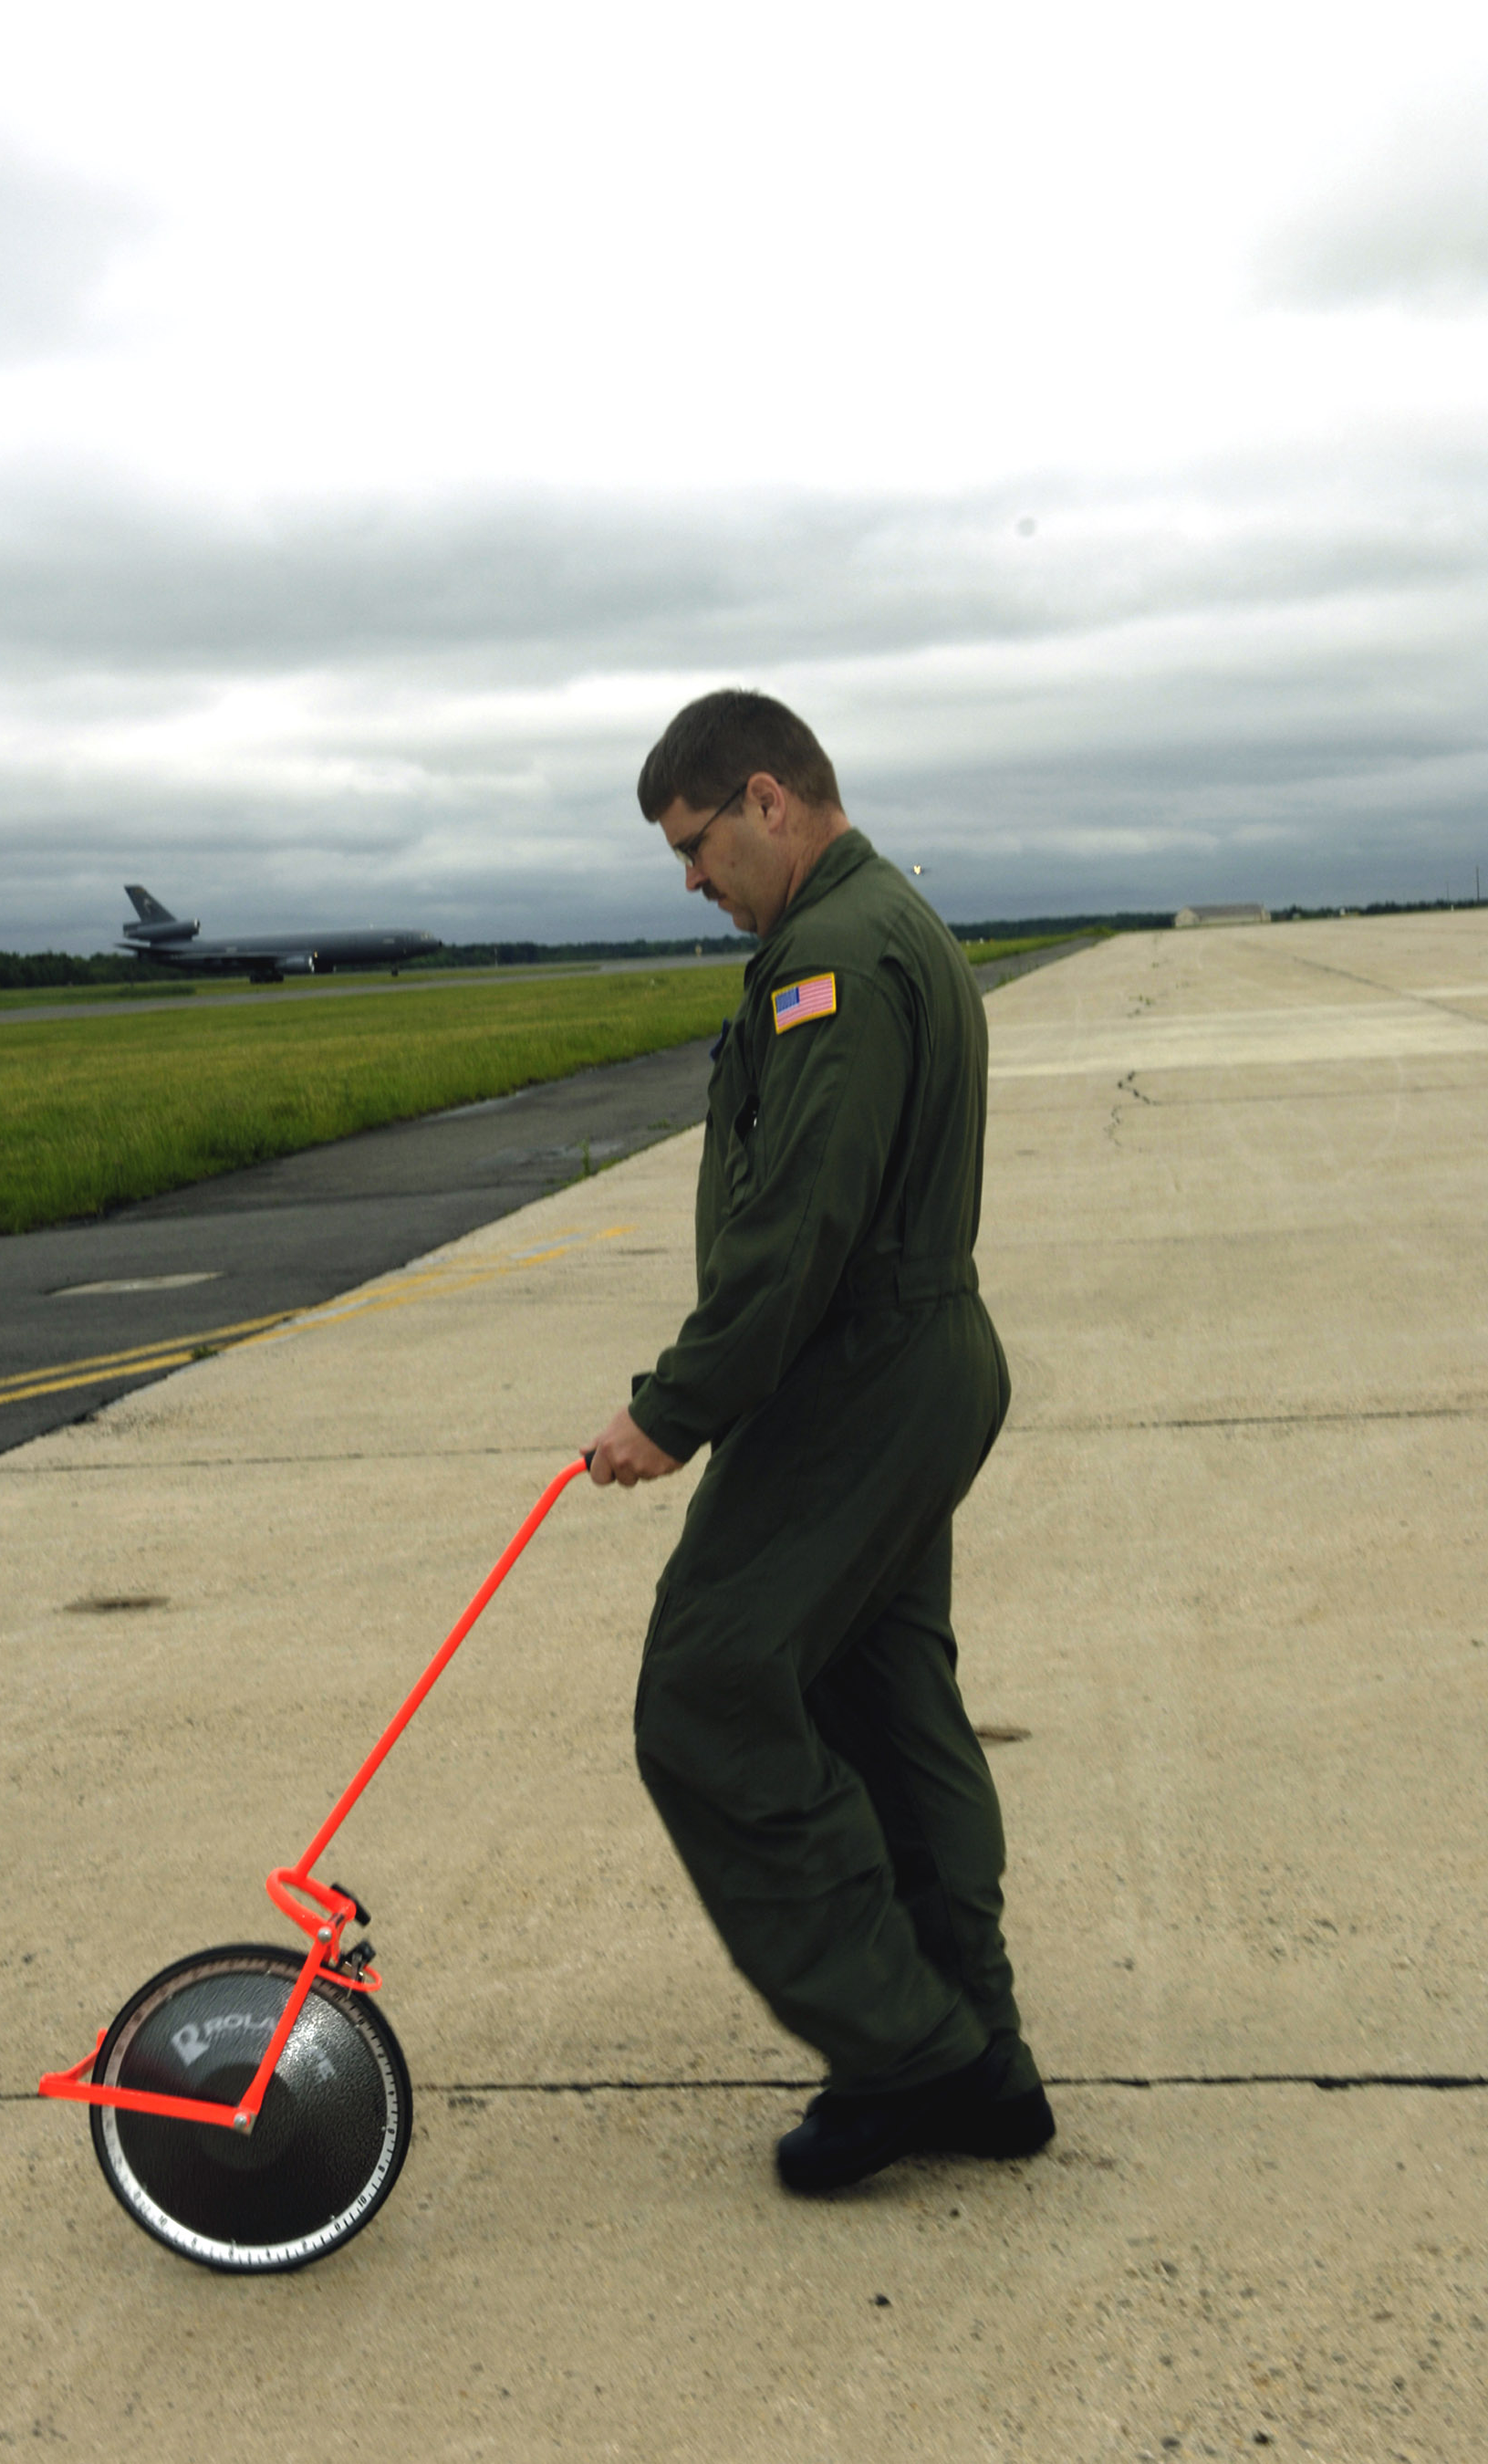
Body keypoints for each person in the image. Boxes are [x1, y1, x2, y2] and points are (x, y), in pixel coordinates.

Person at [588, 688, 1054, 2194]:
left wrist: (676, 1405)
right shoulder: (876, 924)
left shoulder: (835, 959)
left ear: (767, 799)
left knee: (709, 1692)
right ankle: (974, 2053)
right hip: (903, 1366)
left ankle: (909, 2048)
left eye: (695, 842)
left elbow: (801, 1223)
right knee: (881, 1699)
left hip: (857, 1374)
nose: (690, 879)